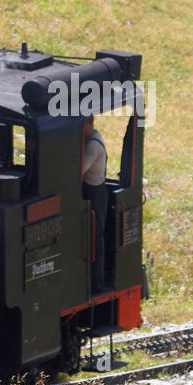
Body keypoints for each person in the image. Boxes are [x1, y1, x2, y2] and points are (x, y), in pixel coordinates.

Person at [82, 113, 109, 294]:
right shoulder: (93, 138)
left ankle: (97, 282)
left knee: (96, 238)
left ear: (86, 123)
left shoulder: (92, 145)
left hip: (95, 193)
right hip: (92, 190)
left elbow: (78, 171)